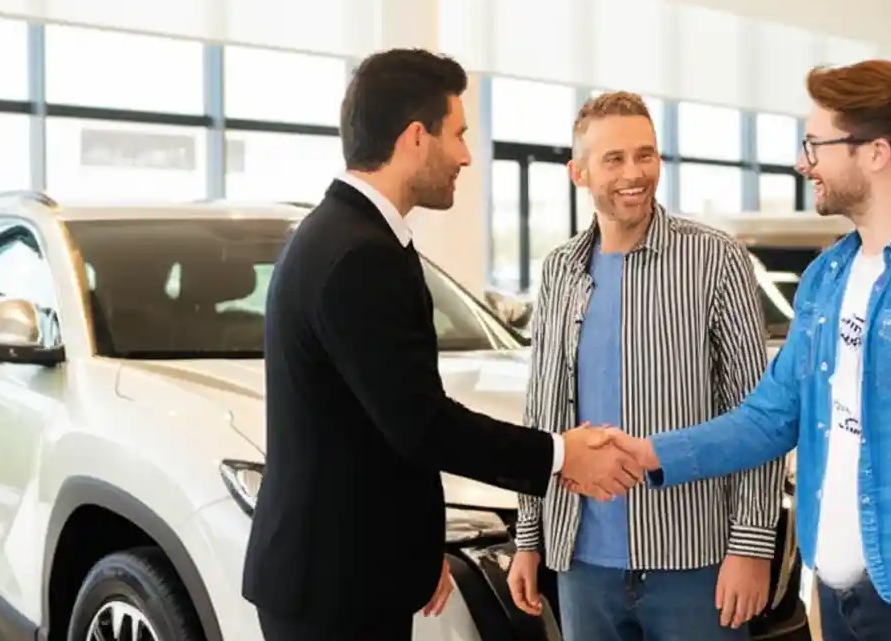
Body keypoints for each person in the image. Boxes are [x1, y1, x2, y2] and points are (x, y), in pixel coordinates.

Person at [603, 59, 891, 641]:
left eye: (815, 144)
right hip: (837, 595)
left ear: (876, 152)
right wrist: (646, 454)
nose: (803, 162)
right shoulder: (827, 276)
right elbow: (770, 417)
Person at [241, 48, 642, 641]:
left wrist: (415, 545)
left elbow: (376, 430)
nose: (465, 155)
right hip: (331, 588)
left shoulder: (350, 234)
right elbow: (421, 424)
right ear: (415, 138)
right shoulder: (358, 255)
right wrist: (562, 455)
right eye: (456, 134)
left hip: (350, 568)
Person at [505, 91, 787, 640]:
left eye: (646, 154)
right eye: (614, 160)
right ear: (578, 173)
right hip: (582, 562)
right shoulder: (559, 270)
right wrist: (528, 539)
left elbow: (758, 412)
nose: (634, 173)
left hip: (695, 557)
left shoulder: (715, 258)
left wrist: (752, 545)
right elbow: (540, 410)